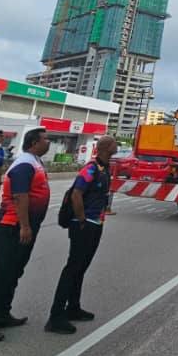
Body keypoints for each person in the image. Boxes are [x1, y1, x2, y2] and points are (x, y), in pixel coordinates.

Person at [0, 127, 52, 343]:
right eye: (46, 139)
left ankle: (2, 313)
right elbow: (19, 195)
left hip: (22, 228)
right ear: (34, 142)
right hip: (11, 227)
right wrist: (25, 226)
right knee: (0, 276)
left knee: (13, 273)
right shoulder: (25, 163)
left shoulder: (34, 160)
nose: (49, 142)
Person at [46, 135, 118, 334]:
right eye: (113, 143)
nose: (116, 146)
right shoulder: (91, 168)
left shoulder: (105, 168)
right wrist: (82, 219)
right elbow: (77, 194)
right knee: (73, 268)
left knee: (81, 268)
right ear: (105, 147)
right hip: (84, 226)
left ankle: (73, 307)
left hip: (96, 223)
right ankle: (56, 316)